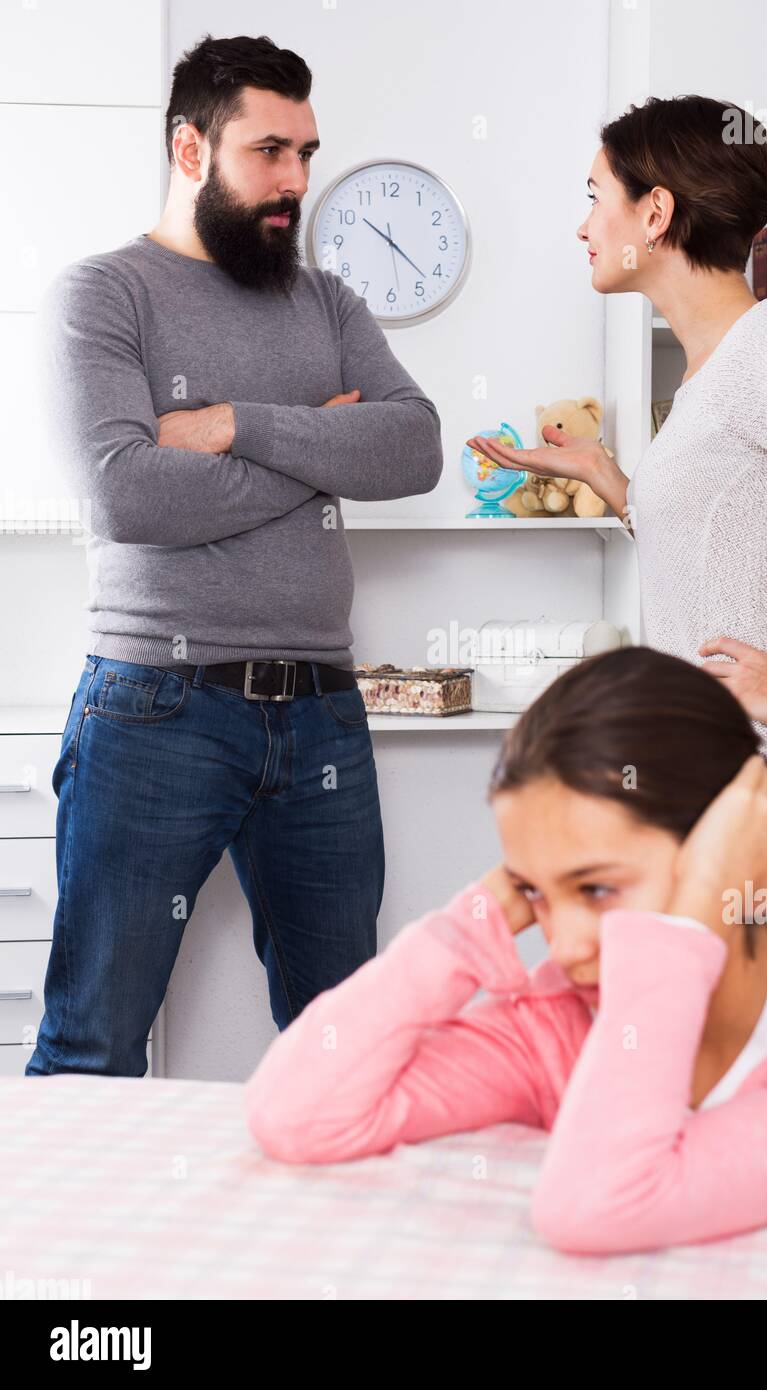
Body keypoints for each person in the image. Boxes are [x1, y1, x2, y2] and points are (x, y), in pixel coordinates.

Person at [245, 644, 767, 1297]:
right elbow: (298, 1113)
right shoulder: (567, 1018)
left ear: (729, 858)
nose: (567, 945)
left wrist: (692, 920)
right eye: (534, 893)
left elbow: (594, 1204)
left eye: (596, 889)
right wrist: (471, 923)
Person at [28, 33, 443, 1077]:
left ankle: (335, 1241)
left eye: (306, 152)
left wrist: (227, 424)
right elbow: (127, 494)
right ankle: (61, 1248)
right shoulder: (103, 296)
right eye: (270, 151)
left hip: (321, 714)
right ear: (188, 149)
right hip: (154, 708)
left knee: (347, 1048)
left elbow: (415, 445)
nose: (297, 180)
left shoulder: (330, 302)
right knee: (92, 1042)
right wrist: (318, 443)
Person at [467, 94, 767, 963]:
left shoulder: (763, 355)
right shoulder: (715, 374)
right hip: (730, 791)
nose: (583, 226)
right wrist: (605, 477)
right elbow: (719, 544)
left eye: (593, 195)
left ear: (654, 213)